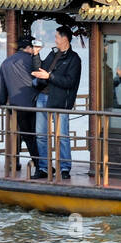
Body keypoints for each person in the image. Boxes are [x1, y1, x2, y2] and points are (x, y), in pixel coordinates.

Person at [33, 25, 82, 180]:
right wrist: (35, 56)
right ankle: (44, 167)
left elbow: (70, 82)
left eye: (56, 37)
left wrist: (50, 77)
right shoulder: (52, 53)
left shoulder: (74, 59)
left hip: (60, 101)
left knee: (62, 135)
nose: (55, 40)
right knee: (41, 135)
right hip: (42, 98)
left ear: (65, 38)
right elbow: (41, 70)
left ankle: (65, 168)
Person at [0, 34, 43, 177]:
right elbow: (41, 79)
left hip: (17, 107)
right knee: (40, 136)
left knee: (28, 137)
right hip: (36, 104)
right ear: (28, 47)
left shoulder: (5, 63)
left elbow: (2, 88)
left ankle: (38, 165)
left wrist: (0, 102)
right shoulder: (32, 60)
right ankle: (44, 167)